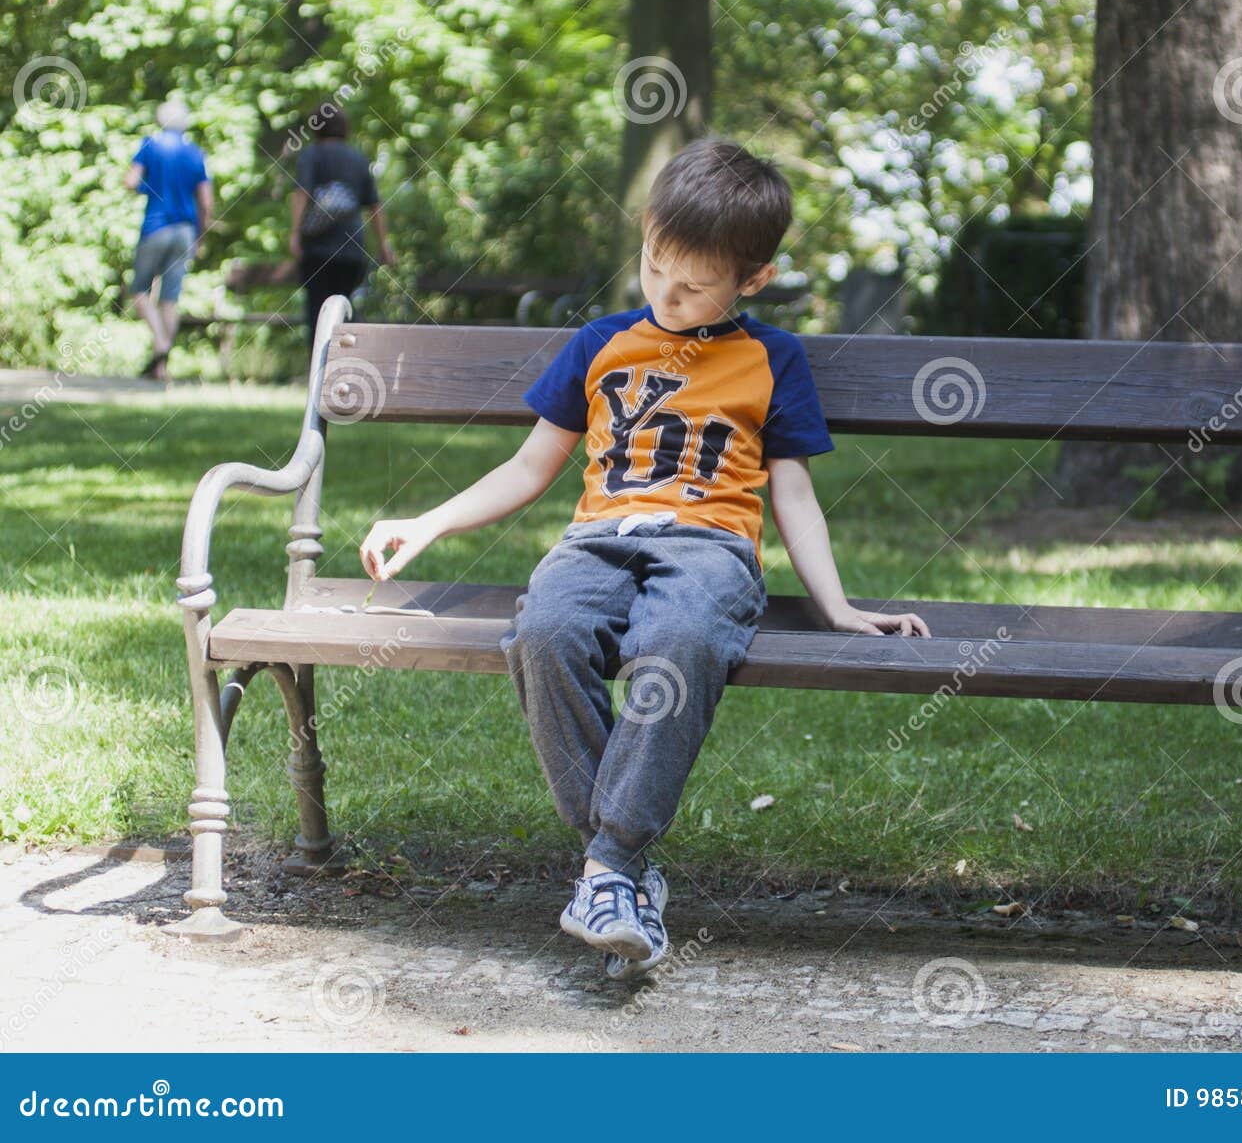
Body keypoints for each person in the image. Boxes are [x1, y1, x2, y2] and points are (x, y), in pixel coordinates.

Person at [357, 138, 930, 980]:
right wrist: (430, 521)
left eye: (694, 283)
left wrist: (838, 606)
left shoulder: (773, 360)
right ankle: (617, 873)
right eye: (654, 264)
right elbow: (529, 467)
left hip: (711, 548)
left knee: (682, 644)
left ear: (753, 279)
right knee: (543, 631)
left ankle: (610, 863)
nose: (666, 291)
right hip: (598, 540)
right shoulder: (600, 342)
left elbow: (794, 494)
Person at [289, 106, 394, 349]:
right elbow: (375, 207)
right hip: (352, 249)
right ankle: (348, 364)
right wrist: (384, 245)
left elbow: (301, 193)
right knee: (346, 308)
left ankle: (319, 371)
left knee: (318, 311)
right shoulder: (358, 159)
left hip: (318, 250)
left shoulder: (311, 155)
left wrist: (294, 233)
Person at [124, 100, 212, 380]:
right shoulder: (195, 153)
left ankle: (160, 341)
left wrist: (147, 186)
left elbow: (130, 181)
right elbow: (206, 202)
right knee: (169, 300)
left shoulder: (151, 145)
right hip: (185, 230)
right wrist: (200, 235)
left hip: (156, 227)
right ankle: (160, 368)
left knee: (140, 290)